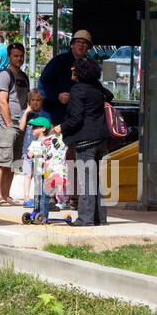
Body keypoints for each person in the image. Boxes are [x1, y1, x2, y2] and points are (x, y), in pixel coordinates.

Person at [58, 58, 113, 227]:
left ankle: (85, 219)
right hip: (101, 139)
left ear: (81, 72)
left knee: (86, 179)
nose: (72, 69)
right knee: (97, 180)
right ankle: (100, 218)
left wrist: (61, 127)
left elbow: (75, 118)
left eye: (76, 68)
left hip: (86, 141)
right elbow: (109, 96)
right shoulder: (97, 89)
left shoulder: (78, 90)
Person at [0, 42, 31, 205]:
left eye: (21, 56)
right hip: (7, 124)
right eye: (15, 55)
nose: (19, 59)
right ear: (9, 57)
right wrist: (8, 124)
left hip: (20, 123)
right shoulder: (4, 75)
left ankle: (6, 195)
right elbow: (2, 101)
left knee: (13, 162)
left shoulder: (23, 76)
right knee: (2, 160)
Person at [39, 28, 92, 126]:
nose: (81, 45)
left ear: (88, 47)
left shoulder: (88, 66)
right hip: (53, 118)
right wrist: (57, 95)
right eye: (78, 42)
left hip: (75, 120)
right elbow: (42, 85)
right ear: (72, 44)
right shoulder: (58, 61)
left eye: (85, 43)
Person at [26, 116, 68, 222]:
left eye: (35, 127)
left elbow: (58, 149)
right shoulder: (34, 142)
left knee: (44, 194)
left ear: (43, 128)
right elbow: (29, 154)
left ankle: (43, 215)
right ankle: (36, 211)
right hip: (37, 172)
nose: (32, 129)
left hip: (47, 172)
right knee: (37, 194)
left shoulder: (50, 141)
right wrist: (32, 152)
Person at [18, 89, 47, 202]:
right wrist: (26, 112)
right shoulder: (25, 113)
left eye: (38, 100)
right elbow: (21, 127)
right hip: (27, 150)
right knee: (27, 174)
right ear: (28, 101)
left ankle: (38, 197)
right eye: (32, 100)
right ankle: (26, 197)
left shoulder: (43, 114)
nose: (35, 102)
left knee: (38, 175)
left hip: (40, 151)